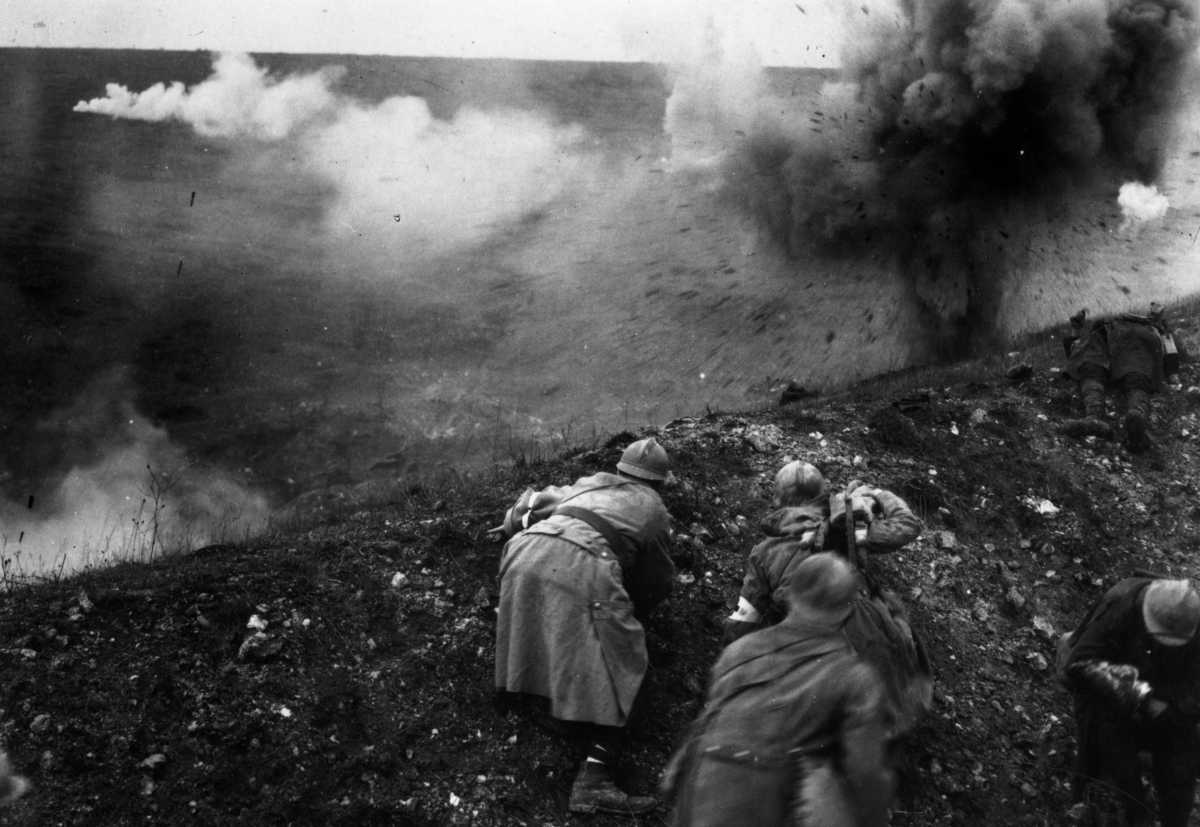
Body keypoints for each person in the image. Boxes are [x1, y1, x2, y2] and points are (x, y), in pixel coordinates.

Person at [490, 437, 674, 815]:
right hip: (583, 567)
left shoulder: (588, 483)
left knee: (543, 627)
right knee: (628, 665)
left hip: (523, 552)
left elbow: (532, 502)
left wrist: (509, 525)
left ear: (619, 470)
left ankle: (528, 700)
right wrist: (633, 611)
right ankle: (595, 782)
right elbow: (656, 583)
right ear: (659, 483)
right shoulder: (654, 508)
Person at [661, 553, 895, 827]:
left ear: (791, 595)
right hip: (767, 806)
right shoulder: (854, 679)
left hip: (699, 799)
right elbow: (865, 773)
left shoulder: (737, 652)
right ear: (848, 608)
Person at [722, 461, 930, 740]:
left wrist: (736, 674)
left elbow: (744, 620)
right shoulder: (849, 528)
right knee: (892, 618)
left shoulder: (764, 551)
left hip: (798, 649)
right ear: (822, 496)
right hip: (859, 640)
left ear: (777, 500)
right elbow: (907, 526)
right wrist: (879, 494)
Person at [1058, 576, 1200, 827]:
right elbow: (1078, 664)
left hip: (1169, 705)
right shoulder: (1122, 606)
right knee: (1115, 748)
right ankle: (1136, 811)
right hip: (1117, 702)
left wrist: (1167, 704)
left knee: (1181, 766)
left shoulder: (1193, 621)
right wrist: (1137, 694)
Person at [1061, 304, 1188, 449]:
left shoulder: (1109, 324)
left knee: (1093, 367)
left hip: (1109, 335)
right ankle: (1135, 415)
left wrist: (1075, 330)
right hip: (1120, 336)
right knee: (1133, 373)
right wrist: (1163, 326)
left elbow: (1076, 356)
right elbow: (1177, 351)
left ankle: (1094, 417)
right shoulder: (1150, 326)